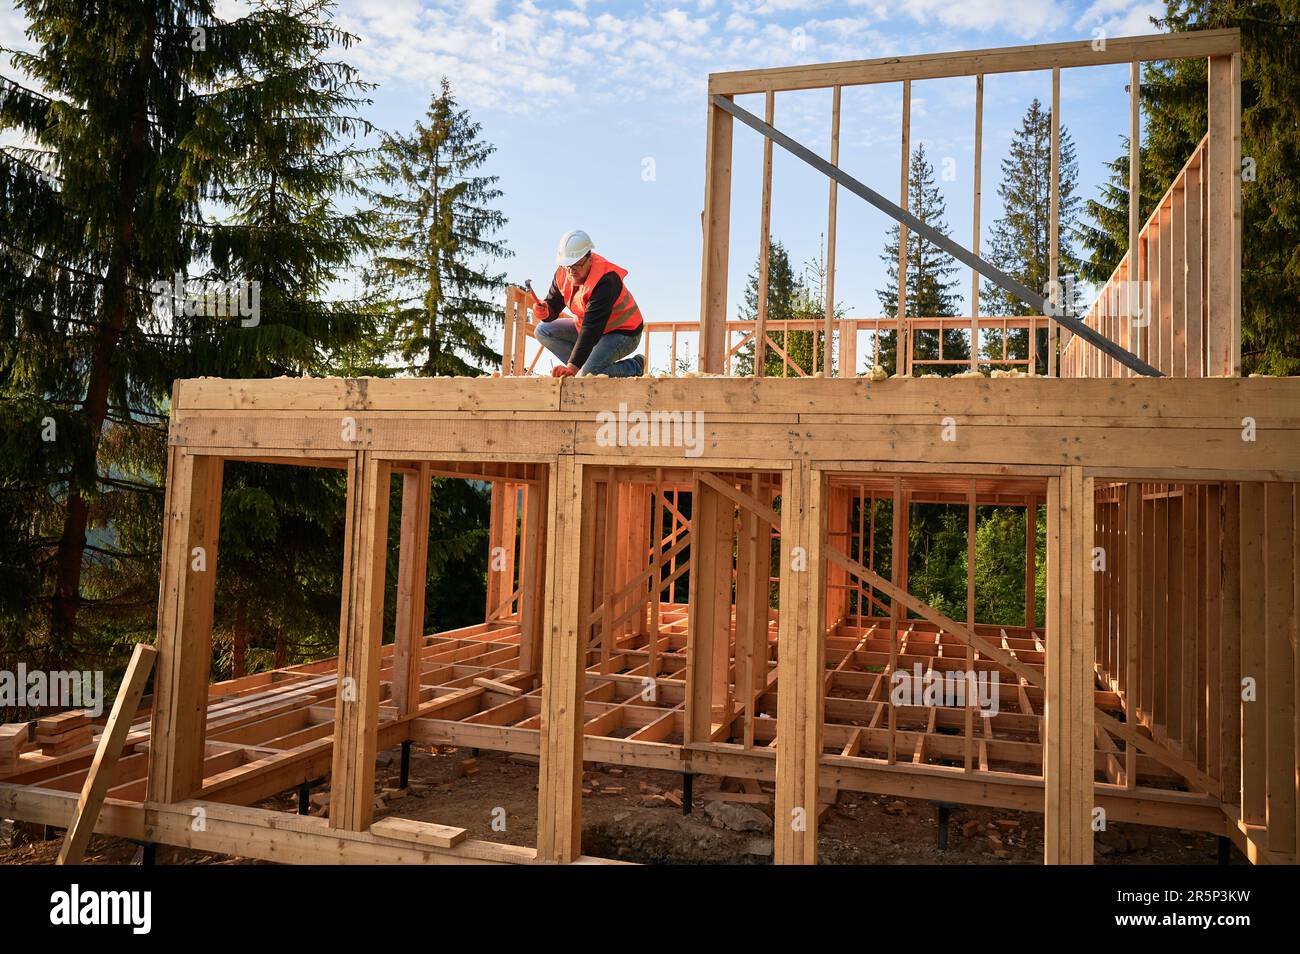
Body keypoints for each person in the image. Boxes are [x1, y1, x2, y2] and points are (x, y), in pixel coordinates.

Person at [531, 229, 646, 377]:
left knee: (586, 376)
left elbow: (591, 328)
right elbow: (553, 304)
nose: (571, 271)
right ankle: (584, 368)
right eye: (568, 266)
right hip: (588, 329)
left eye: (577, 265)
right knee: (542, 330)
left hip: (623, 333)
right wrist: (546, 311)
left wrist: (572, 368)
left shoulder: (606, 280)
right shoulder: (563, 272)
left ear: (589, 258)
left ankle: (634, 366)